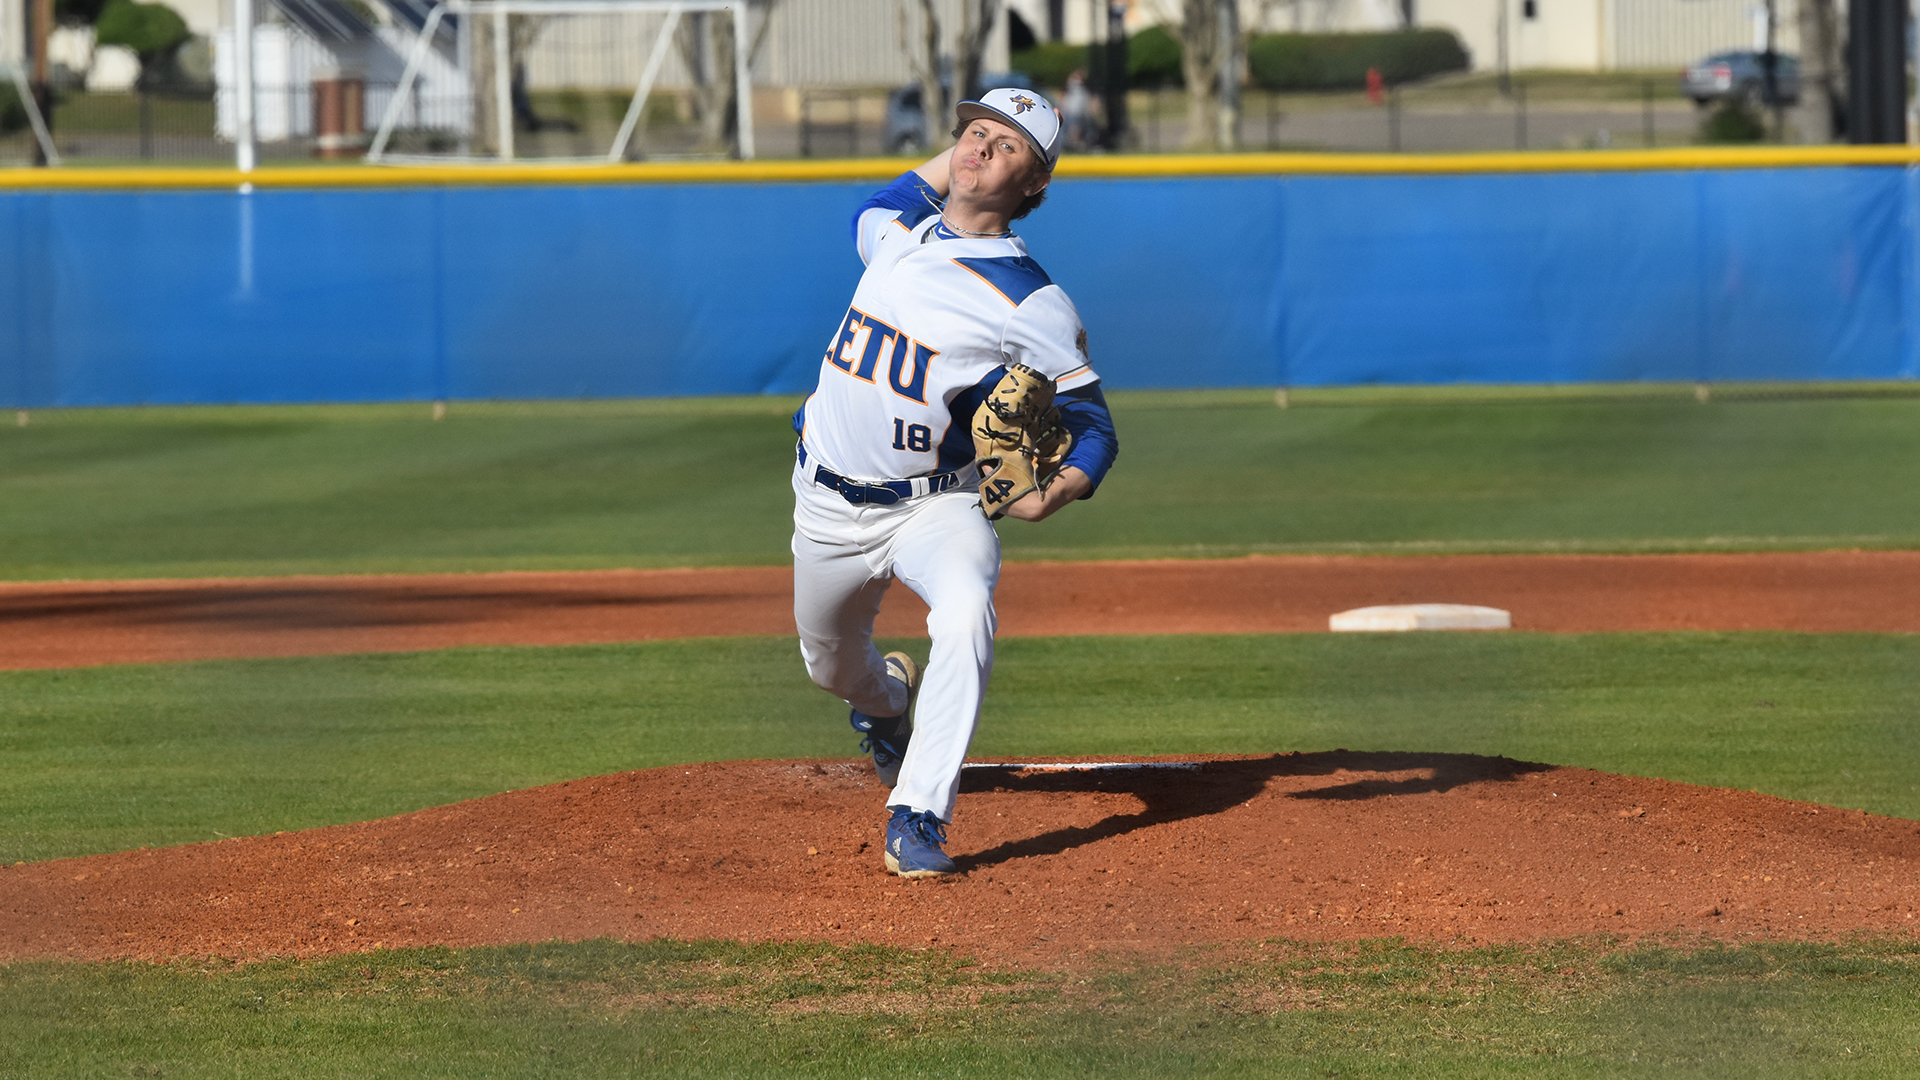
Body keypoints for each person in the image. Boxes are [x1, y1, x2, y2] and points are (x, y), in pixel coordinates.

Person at [790, 88, 1119, 880]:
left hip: (937, 503)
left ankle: (918, 814)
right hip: (828, 502)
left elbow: (1095, 425)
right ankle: (885, 706)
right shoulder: (897, 236)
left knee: (968, 610)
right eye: (973, 135)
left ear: (1035, 186)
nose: (978, 151)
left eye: (1005, 148)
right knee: (829, 667)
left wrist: (1056, 489)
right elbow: (880, 202)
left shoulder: (1030, 299)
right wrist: (974, 147)